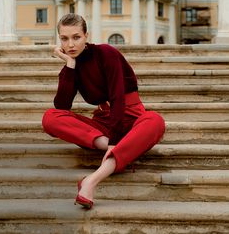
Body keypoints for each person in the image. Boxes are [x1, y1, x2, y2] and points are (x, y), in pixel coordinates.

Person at [42, 13, 165, 209]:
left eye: (76, 37)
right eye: (64, 39)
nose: (70, 44)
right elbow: (62, 107)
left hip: (131, 117)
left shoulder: (106, 53)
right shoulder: (74, 65)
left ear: (86, 36)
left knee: (155, 121)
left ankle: (91, 180)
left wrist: (114, 142)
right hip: (103, 124)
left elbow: (117, 96)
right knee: (50, 117)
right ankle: (125, 148)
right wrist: (69, 65)